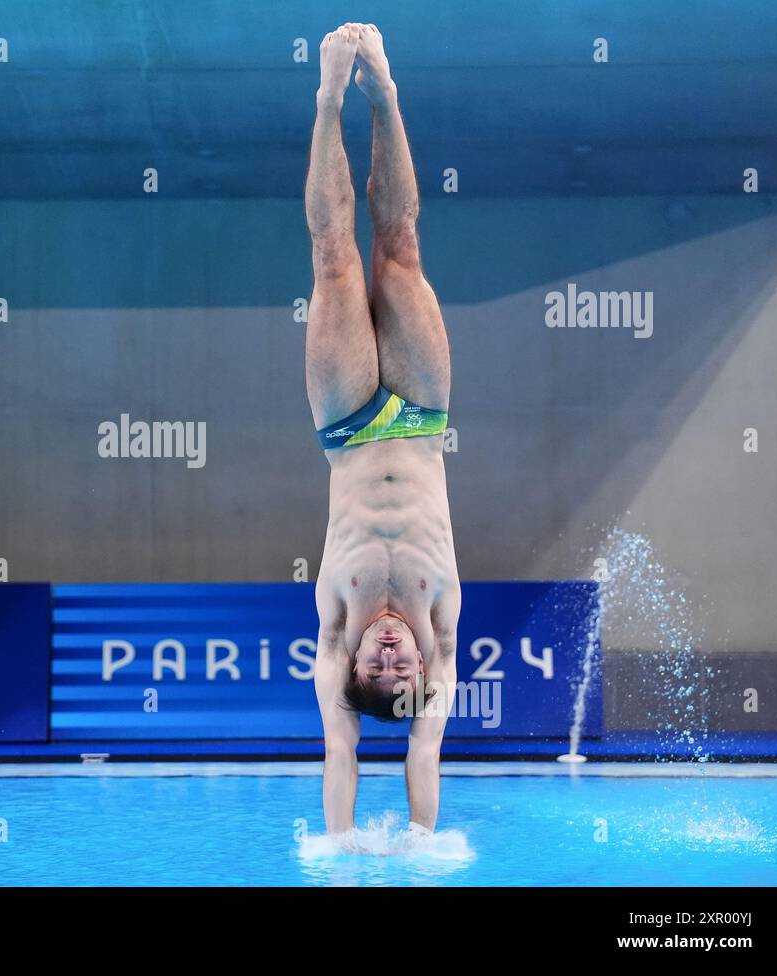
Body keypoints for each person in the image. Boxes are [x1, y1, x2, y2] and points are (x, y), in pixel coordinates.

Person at [305, 23, 461, 836]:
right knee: (400, 250)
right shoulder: (440, 640)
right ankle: (390, 95)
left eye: (380, 661)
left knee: (336, 258)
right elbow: (422, 753)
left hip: (348, 428)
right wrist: (423, 846)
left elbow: (345, 754)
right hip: (425, 416)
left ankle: (332, 97)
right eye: (403, 664)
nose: (393, 652)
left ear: (355, 662)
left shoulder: (336, 636)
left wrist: (340, 852)